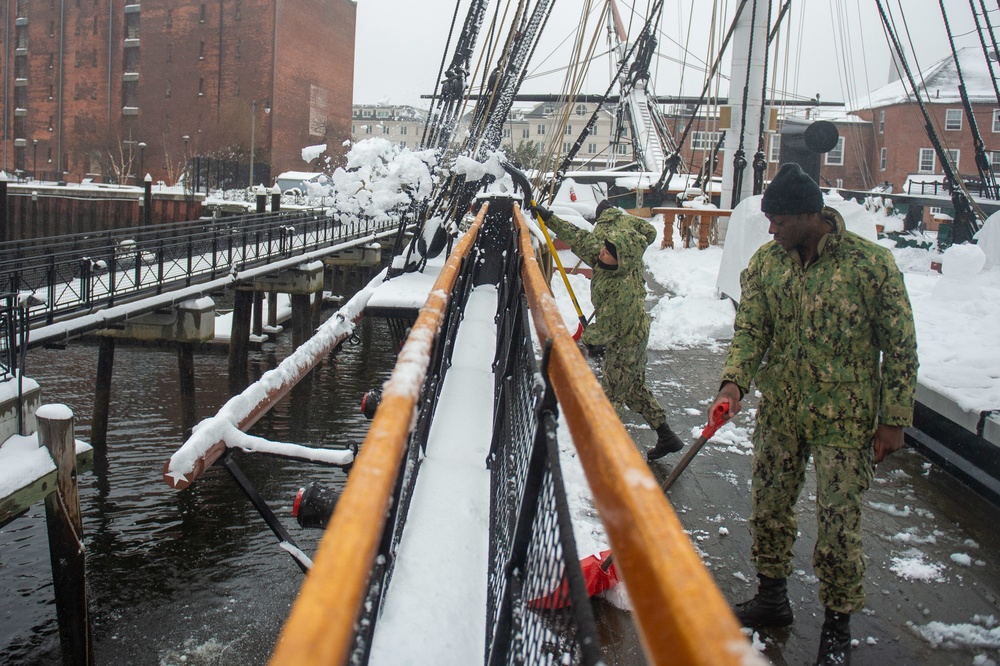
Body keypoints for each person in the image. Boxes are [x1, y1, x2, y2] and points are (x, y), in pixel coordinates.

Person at [707, 162, 918, 665]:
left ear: (810, 214)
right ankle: (772, 598)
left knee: (838, 523)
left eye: (779, 220)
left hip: (844, 420)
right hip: (782, 411)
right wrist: (733, 384)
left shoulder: (871, 265)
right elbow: (752, 331)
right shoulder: (766, 264)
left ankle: (837, 624)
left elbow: (901, 347)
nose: (772, 229)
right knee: (769, 507)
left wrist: (893, 420)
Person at [529, 199, 684, 459]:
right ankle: (666, 435)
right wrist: (549, 217)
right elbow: (578, 238)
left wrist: (581, 340)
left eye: (607, 253)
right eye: (602, 249)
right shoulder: (606, 256)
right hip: (624, 332)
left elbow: (609, 328)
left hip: (627, 340)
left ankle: (606, 454)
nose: (600, 253)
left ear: (621, 259)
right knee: (634, 388)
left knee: (612, 394)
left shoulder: (623, 287)